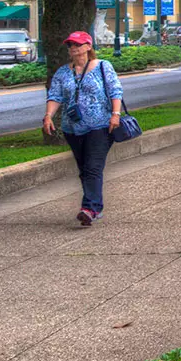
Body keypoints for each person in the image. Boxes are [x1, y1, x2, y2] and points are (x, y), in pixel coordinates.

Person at [44, 31, 123, 225]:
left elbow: (115, 90)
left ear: (88, 46)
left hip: (101, 125)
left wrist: (116, 114)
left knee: (93, 167)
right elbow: (55, 95)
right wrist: (48, 116)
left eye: (78, 44)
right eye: (70, 45)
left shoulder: (103, 66)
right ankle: (93, 206)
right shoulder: (63, 72)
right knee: (83, 169)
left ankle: (90, 208)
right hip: (73, 128)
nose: (74, 48)